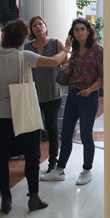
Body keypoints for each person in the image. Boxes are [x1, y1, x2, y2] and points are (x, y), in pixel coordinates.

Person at [0, 19, 69, 212]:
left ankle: (5, 199)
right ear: (21, 41)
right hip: (24, 112)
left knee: (2, 158)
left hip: (1, 114)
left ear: (4, 38)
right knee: (31, 155)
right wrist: (66, 49)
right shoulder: (24, 56)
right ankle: (33, 197)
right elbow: (54, 61)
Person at [47, 18, 102, 185]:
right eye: (76, 29)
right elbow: (72, 70)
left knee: (86, 135)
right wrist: (67, 66)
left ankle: (87, 170)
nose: (79, 32)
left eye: (82, 29)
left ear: (88, 31)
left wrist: (89, 91)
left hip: (88, 96)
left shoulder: (97, 50)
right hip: (72, 96)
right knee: (66, 134)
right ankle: (59, 169)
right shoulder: (74, 50)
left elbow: (103, 76)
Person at [25, 15, 66, 178]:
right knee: (35, 127)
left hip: (52, 89)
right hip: (34, 90)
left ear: (45, 26)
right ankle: (34, 160)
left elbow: (65, 63)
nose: (38, 27)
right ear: (31, 30)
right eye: (34, 25)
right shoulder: (27, 47)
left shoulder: (57, 43)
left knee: (52, 126)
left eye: (40, 24)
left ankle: (52, 161)